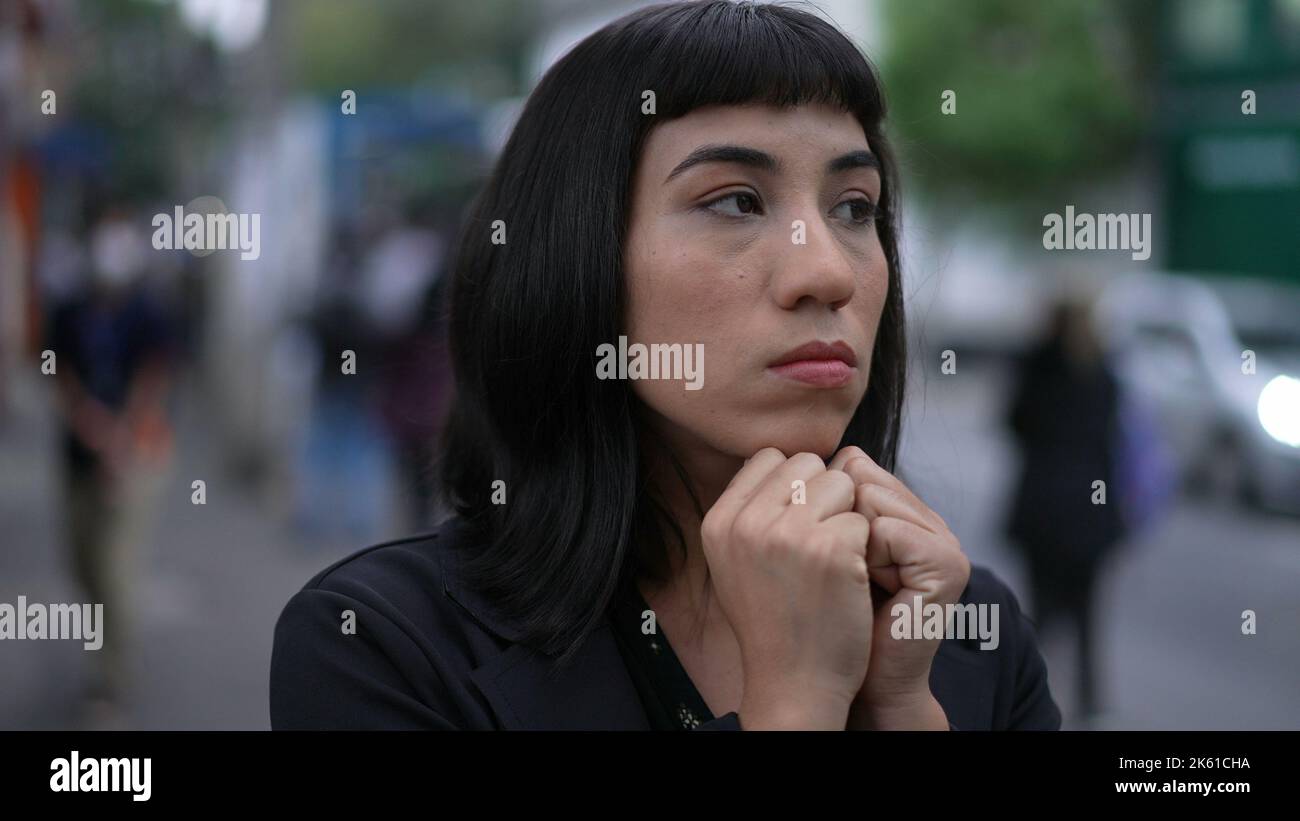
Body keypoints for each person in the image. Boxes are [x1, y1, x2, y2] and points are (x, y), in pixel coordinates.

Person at [270, 0, 1061, 731]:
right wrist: (795, 704)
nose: (829, 271)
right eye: (736, 200)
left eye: (854, 207)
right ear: (574, 260)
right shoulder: (382, 645)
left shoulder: (958, 630)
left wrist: (899, 708)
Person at [47, 208, 176, 714]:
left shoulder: (149, 311)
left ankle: (111, 678)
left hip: (137, 457)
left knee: (115, 566)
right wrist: (88, 423)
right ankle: (104, 656)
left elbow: (156, 378)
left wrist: (121, 440)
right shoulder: (71, 308)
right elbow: (57, 370)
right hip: (80, 458)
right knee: (82, 564)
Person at [1004, 296, 1125, 722]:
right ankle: (1090, 705)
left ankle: (1030, 699)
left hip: (1044, 512)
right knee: (1089, 616)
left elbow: (1014, 422)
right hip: (1090, 515)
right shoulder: (1105, 374)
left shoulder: (1039, 368)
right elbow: (1112, 445)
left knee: (1040, 612)